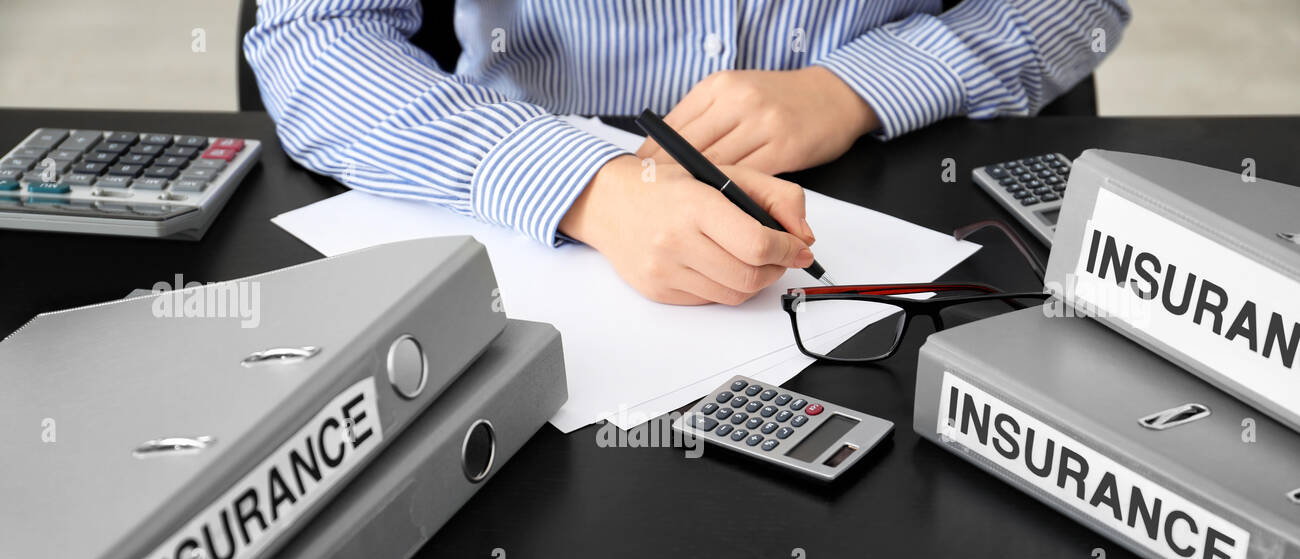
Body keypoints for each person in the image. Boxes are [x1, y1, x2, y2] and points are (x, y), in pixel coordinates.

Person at [246, 0, 1129, 305]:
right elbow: (314, 36)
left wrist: (862, 85)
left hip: (888, 198)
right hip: (522, 213)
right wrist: (585, 184)